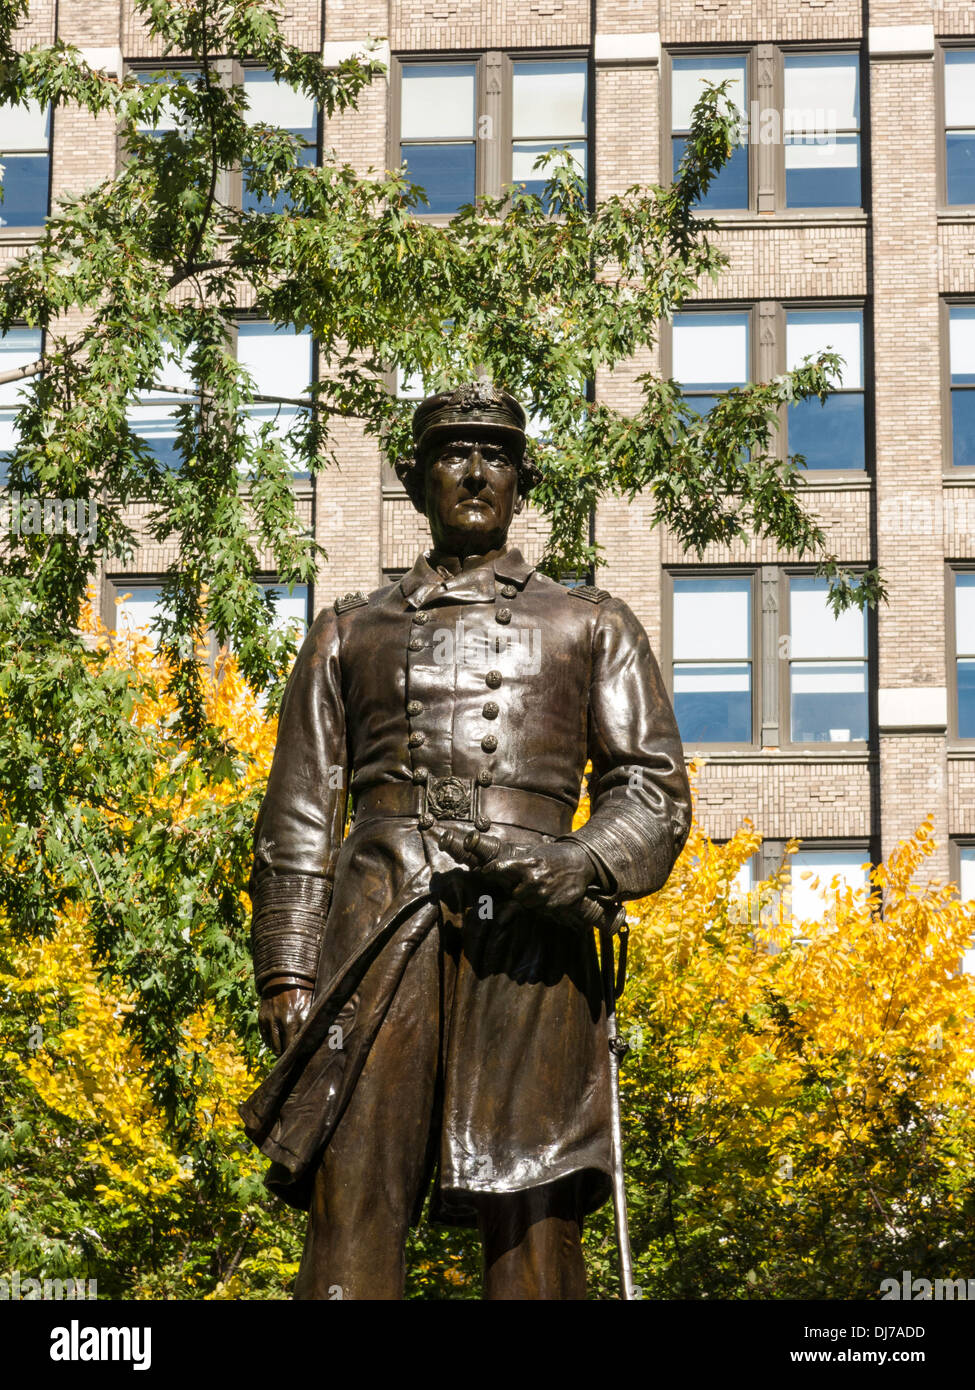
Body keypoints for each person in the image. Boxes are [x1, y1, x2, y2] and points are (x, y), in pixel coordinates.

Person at [239, 380, 691, 1299]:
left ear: (522, 480)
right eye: (453, 454)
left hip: (532, 936)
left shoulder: (589, 622)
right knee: (352, 1193)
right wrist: (287, 971)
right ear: (416, 481)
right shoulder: (345, 631)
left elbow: (650, 786)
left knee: (533, 1205)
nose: (475, 471)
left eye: (495, 454)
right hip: (378, 927)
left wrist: (579, 862)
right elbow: (293, 819)